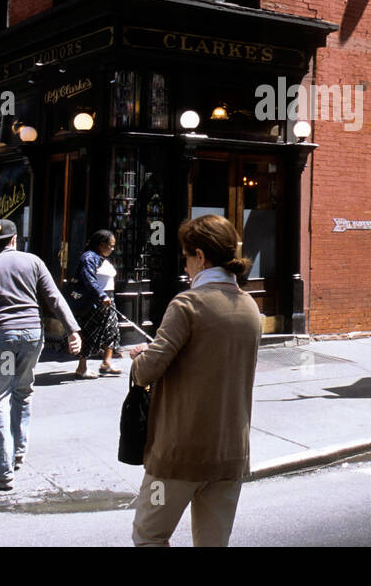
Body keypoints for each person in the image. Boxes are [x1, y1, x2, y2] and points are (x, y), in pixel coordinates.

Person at [127, 215, 261, 547]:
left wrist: (139, 359)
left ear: (199, 256)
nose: (185, 266)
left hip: (175, 459)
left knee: (148, 534)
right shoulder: (250, 308)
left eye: (186, 257)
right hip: (229, 454)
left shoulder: (187, 304)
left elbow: (147, 370)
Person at [0, 218, 82, 490]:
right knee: (23, 391)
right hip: (31, 335)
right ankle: (18, 451)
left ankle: (2, 469)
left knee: (1, 397)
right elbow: (53, 297)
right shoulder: (32, 262)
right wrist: (72, 330)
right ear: (14, 240)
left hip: (2, 336)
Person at [74, 229, 122, 377]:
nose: (113, 249)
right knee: (90, 333)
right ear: (102, 245)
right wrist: (101, 295)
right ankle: (82, 367)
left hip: (107, 300)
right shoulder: (89, 257)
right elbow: (89, 279)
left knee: (111, 331)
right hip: (95, 301)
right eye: (111, 246)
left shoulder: (101, 257)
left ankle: (106, 362)